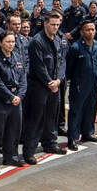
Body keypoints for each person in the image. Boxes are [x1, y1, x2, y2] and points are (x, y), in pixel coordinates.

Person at [21, 11, 68, 163]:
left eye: (57, 25)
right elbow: (38, 66)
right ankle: (29, 151)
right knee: (35, 120)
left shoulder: (58, 40)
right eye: (53, 25)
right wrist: (50, 82)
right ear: (45, 24)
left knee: (52, 117)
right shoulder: (37, 41)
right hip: (40, 86)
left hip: (55, 85)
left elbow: (62, 62)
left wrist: (59, 81)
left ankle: (50, 143)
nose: (55, 27)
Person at [0, 30, 28, 172]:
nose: (11, 44)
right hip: (0, 102)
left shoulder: (17, 57)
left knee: (14, 130)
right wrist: (10, 97)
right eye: (8, 41)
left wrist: (19, 96)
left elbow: (23, 79)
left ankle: (11, 156)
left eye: (13, 41)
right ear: (0, 43)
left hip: (16, 101)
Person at [65, 20, 97, 149]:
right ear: (82, 32)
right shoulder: (76, 47)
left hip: (93, 83)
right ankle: (72, 138)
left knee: (91, 108)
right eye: (88, 29)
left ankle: (87, 132)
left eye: (93, 29)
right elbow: (69, 67)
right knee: (76, 111)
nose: (91, 32)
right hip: (79, 84)